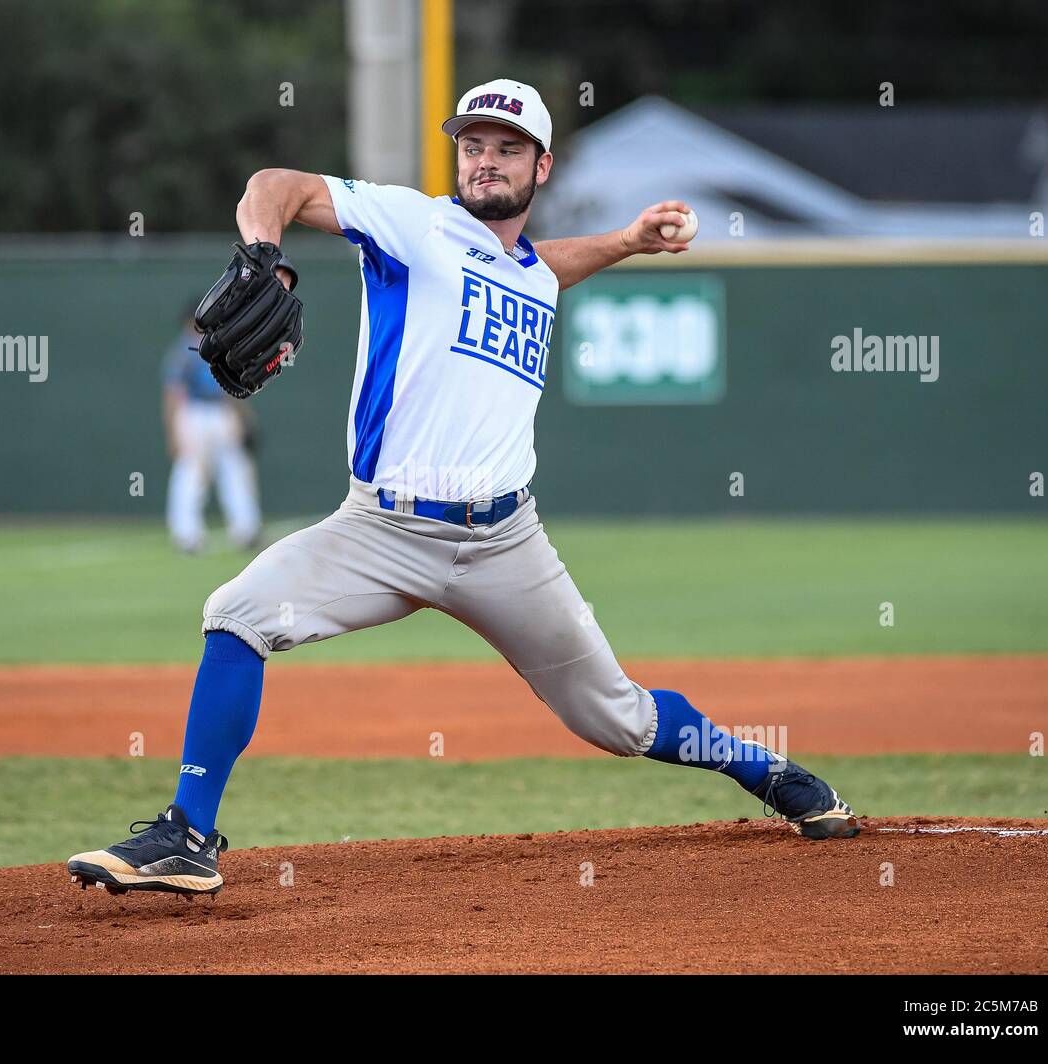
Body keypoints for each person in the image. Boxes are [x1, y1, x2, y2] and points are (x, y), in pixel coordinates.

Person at [68, 78, 858, 899]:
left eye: (507, 147)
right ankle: (188, 836)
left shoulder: (533, 274)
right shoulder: (415, 225)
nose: (486, 159)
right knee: (237, 613)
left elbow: (542, 267)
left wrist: (626, 241)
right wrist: (263, 252)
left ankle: (767, 772)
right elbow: (278, 188)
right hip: (378, 531)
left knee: (619, 719)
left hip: (506, 544)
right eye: (473, 144)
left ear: (541, 166)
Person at [161, 304, 263, 553]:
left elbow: (232, 389)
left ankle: (239, 530)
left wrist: (242, 419)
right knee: (196, 472)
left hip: (212, 414)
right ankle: (192, 534)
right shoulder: (192, 350)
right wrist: (173, 431)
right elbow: (174, 394)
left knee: (228, 469)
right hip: (197, 413)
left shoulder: (207, 347)